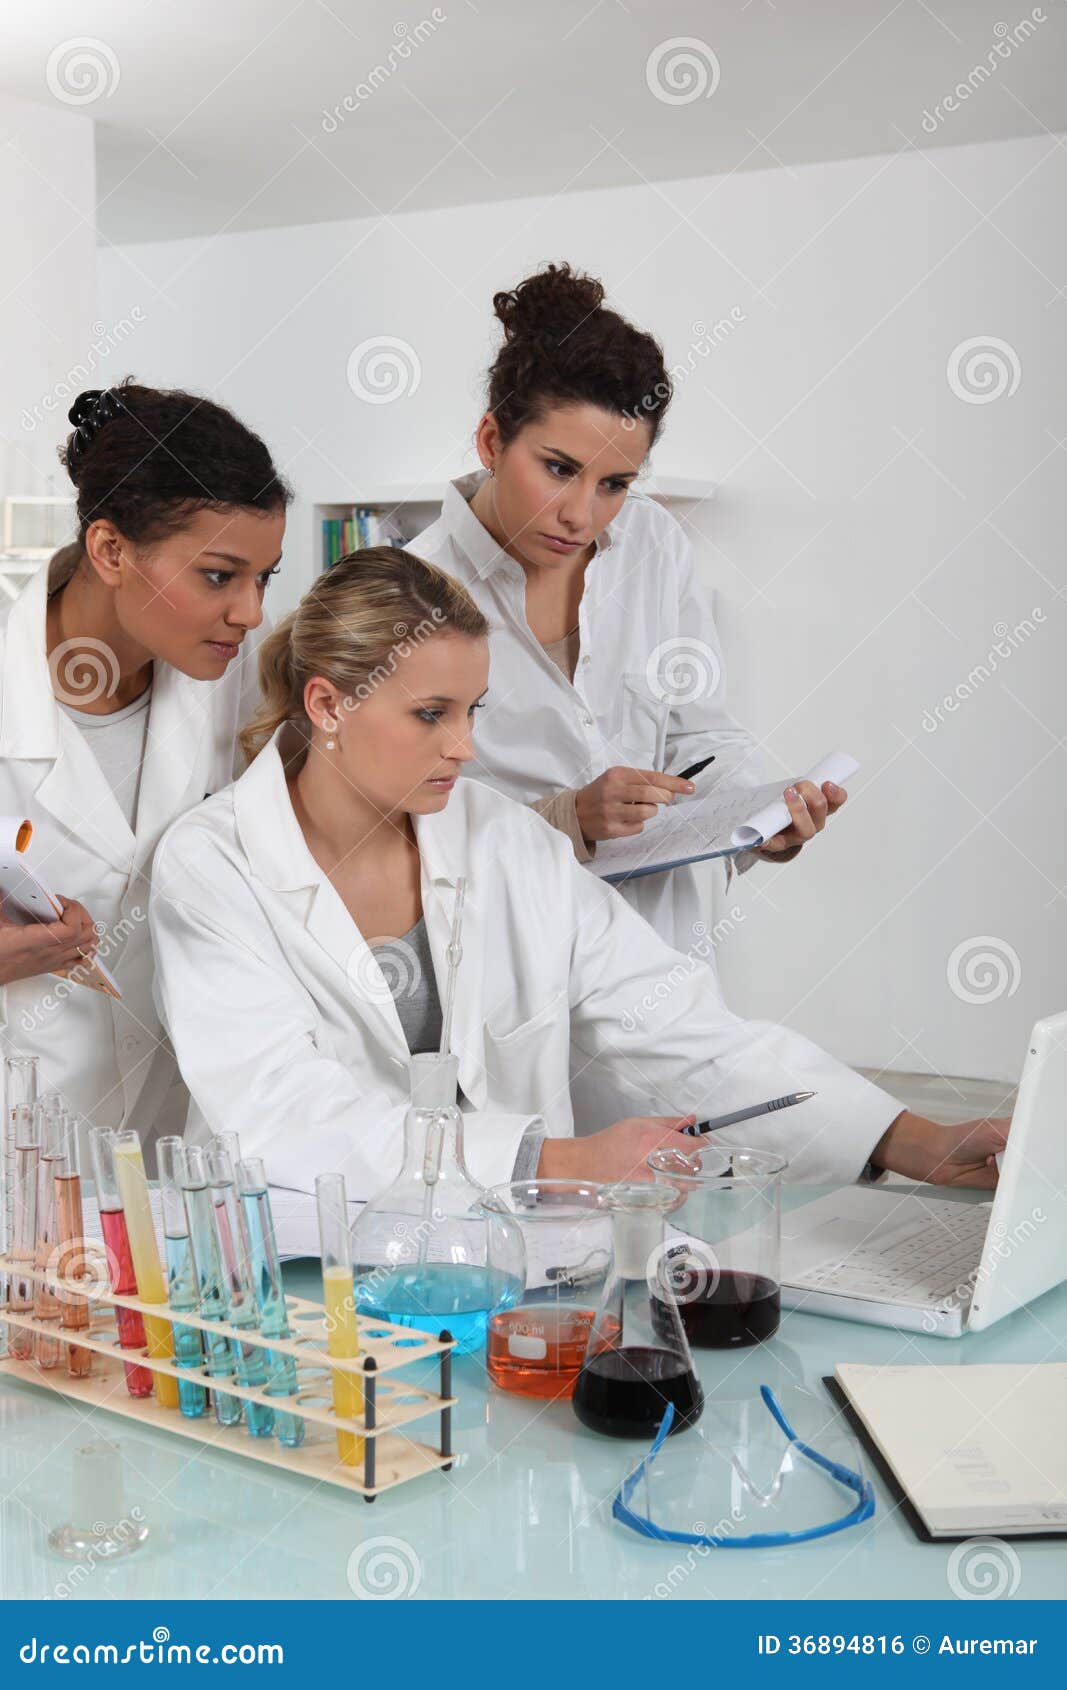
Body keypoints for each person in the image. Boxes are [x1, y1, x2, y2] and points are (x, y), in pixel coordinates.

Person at [148, 549, 1006, 1200]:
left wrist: (906, 1138)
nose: (463, 746)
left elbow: (673, 1023)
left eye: (472, 711)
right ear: (328, 704)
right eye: (429, 715)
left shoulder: (498, 839)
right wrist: (553, 1162)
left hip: (498, 1271)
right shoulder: (214, 863)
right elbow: (283, 1116)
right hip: (301, 1278)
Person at [0, 381, 290, 1163]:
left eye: (264, 577)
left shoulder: (234, 684)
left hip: (175, 1145)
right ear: (111, 550)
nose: (251, 612)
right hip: (19, 1147)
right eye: (219, 576)